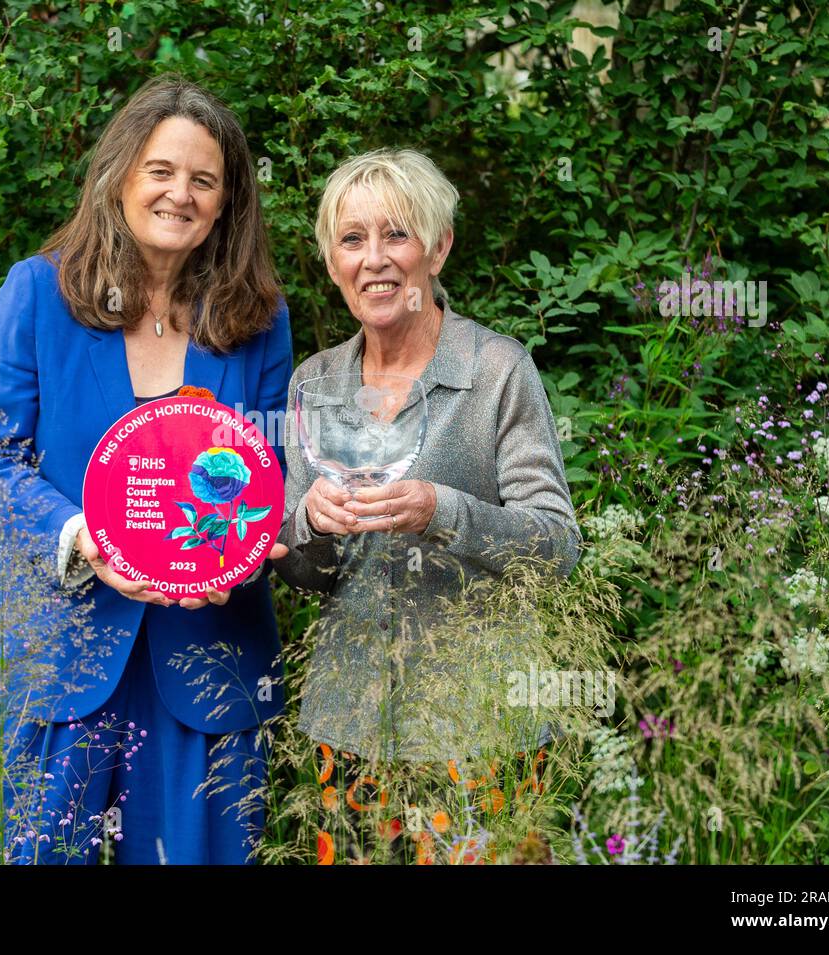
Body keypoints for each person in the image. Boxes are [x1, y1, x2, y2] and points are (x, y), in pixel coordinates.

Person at [0, 74, 292, 865]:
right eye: (161, 171)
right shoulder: (37, 293)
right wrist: (80, 536)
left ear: (228, 202)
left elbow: (274, 466)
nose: (180, 194)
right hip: (50, 652)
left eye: (205, 180)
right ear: (120, 175)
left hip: (207, 654)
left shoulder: (259, 320)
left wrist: (259, 538)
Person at [272, 149, 581, 859]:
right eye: (352, 239)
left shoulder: (496, 369)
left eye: (398, 234)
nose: (374, 259)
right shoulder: (314, 383)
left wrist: (442, 509)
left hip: (478, 728)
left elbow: (558, 547)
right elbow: (301, 570)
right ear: (330, 261)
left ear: (438, 247)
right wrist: (312, 524)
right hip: (347, 725)